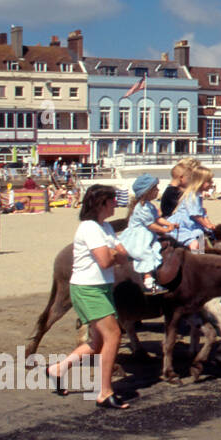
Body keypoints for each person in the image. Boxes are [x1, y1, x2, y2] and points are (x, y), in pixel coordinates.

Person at [47, 184, 131, 408]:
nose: (116, 204)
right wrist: (115, 255)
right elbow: (106, 260)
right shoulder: (90, 228)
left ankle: (57, 369)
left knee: (97, 342)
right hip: (87, 289)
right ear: (102, 203)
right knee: (113, 335)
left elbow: (123, 253)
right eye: (113, 201)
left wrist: (115, 254)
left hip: (101, 287)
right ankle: (104, 392)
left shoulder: (105, 227)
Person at [119, 174, 173, 294]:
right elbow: (150, 224)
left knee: (157, 248)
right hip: (139, 236)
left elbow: (157, 219)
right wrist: (164, 230)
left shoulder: (150, 206)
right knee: (146, 254)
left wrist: (169, 224)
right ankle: (149, 283)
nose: (158, 190)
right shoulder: (141, 208)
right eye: (155, 188)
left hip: (147, 235)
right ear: (146, 192)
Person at [171, 166, 215, 251]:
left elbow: (202, 214)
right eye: (209, 181)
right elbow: (195, 215)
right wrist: (207, 225)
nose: (212, 183)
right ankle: (196, 255)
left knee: (206, 234)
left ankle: (201, 253)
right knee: (196, 240)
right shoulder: (192, 196)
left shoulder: (198, 196)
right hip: (184, 226)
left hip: (192, 224)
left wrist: (210, 224)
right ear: (200, 182)